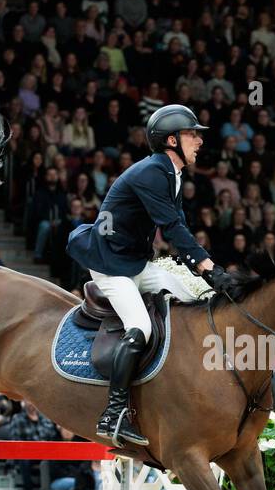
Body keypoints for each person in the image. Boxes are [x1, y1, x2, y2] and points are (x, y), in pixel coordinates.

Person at [66, 104, 244, 446]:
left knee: (191, 298)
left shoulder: (170, 173)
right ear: (172, 140)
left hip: (133, 262)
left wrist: (206, 274)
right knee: (141, 327)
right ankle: (113, 413)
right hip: (109, 265)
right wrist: (209, 269)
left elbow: (179, 228)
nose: (199, 142)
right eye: (193, 135)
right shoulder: (152, 172)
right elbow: (172, 227)